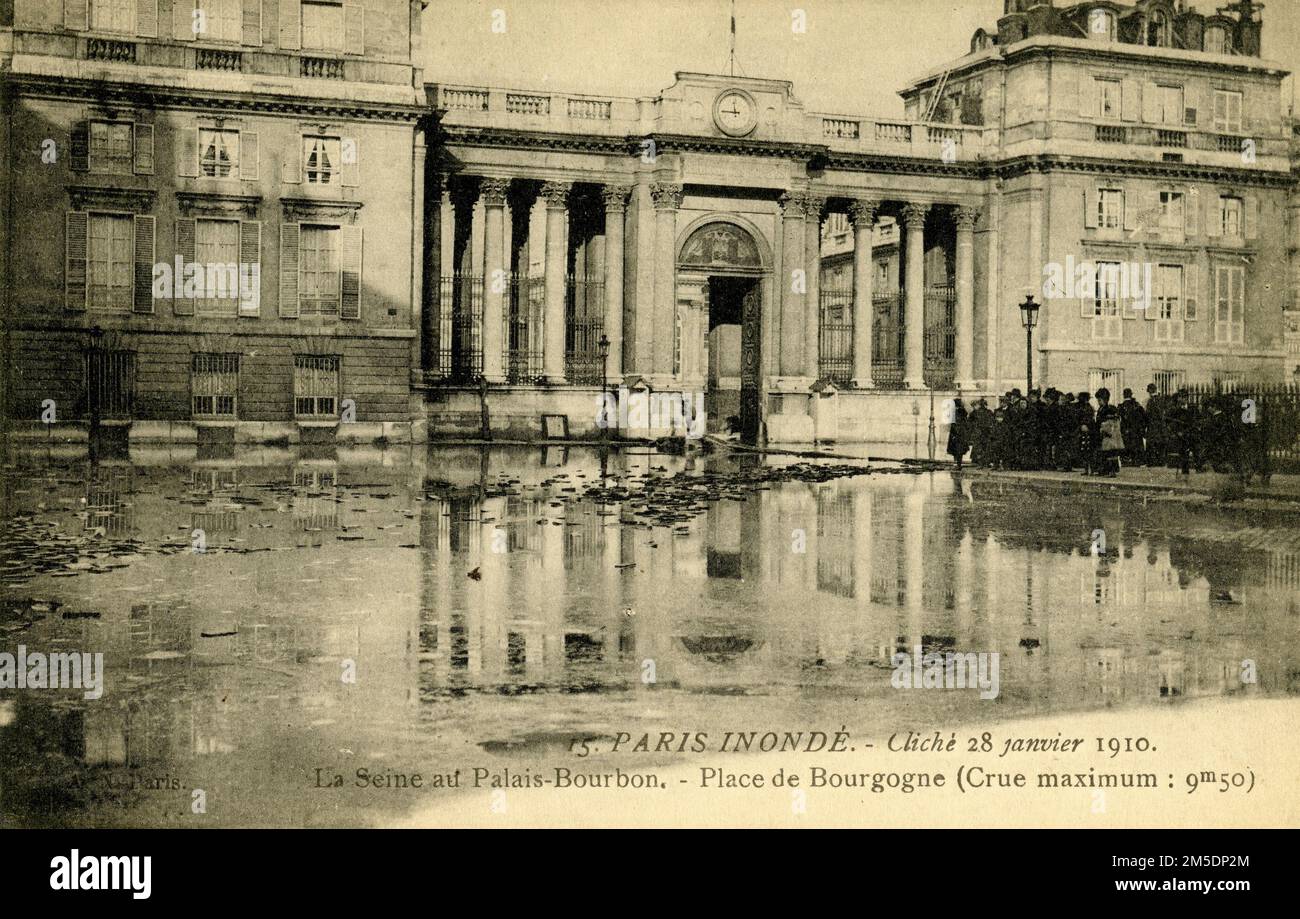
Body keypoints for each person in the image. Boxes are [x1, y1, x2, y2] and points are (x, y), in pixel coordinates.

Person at [1095, 388, 1123, 476]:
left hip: (1108, 434)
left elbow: (1112, 423)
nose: (1098, 402)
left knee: (1111, 452)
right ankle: (1104, 469)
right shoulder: (1101, 408)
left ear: (1105, 399)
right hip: (1102, 433)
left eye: (1100, 400)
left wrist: (1104, 428)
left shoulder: (1109, 409)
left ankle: (1111, 470)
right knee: (1104, 452)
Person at [1117, 388, 1147, 468]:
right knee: (1136, 445)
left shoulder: (1121, 406)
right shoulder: (1137, 405)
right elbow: (1144, 417)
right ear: (1131, 395)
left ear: (1123, 395)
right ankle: (1137, 461)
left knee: (1126, 445)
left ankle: (1127, 461)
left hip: (1126, 430)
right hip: (1136, 430)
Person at [969, 398, 994, 466]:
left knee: (980, 447)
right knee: (983, 447)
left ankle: (979, 462)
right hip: (984, 432)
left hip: (981, 432)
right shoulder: (988, 412)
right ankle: (984, 462)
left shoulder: (976, 412)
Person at [1075, 391, 1095, 475]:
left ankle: (1088, 469)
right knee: (1086, 450)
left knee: (1086, 450)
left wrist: (1083, 425)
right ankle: (1087, 469)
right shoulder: (1089, 407)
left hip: (1086, 431)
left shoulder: (1084, 408)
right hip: (1087, 430)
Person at [946, 397, 970, 468]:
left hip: (956, 432)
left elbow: (953, 423)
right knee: (959, 450)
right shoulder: (963, 412)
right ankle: (958, 463)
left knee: (955, 449)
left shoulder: (956, 412)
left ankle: (957, 463)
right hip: (961, 433)